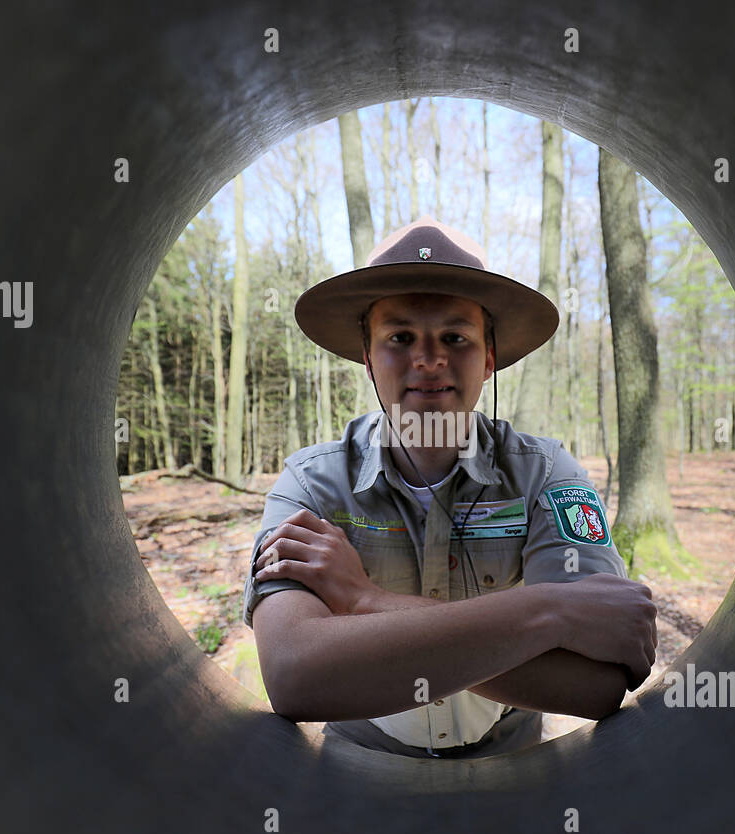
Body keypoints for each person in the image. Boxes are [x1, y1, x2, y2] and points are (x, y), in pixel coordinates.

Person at [241, 215, 658, 758]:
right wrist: (552, 613)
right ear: (367, 358)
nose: (429, 358)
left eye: (455, 337)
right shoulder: (312, 484)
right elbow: (296, 675)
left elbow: (595, 684)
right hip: (362, 759)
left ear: (488, 360)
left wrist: (364, 601)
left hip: (512, 760)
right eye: (400, 337)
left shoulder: (545, 473)